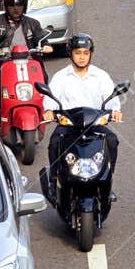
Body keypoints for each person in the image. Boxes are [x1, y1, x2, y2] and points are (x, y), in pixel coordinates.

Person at [44, 34, 122, 207]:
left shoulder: (100, 76)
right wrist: (49, 111)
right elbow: (50, 97)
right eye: (78, 52)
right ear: (70, 54)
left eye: (85, 53)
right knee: (55, 142)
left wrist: (115, 111)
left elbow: (112, 98)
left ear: (90, 54)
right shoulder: (61, 76)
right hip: (69, 125)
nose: (81, 57)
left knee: (112, 140)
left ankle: (106, 179)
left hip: (94, 125)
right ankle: (54, 179)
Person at [0, 0, 48, 89]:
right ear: (6, 6)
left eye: (19, 4)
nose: (16, 8)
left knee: (42, 80)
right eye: (11, 5)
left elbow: (41, 38)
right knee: (0, 86)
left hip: (29, 60)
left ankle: (44, 102)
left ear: (24, 6)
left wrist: (45, 45)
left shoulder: (33, 23)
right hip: (4, 61)